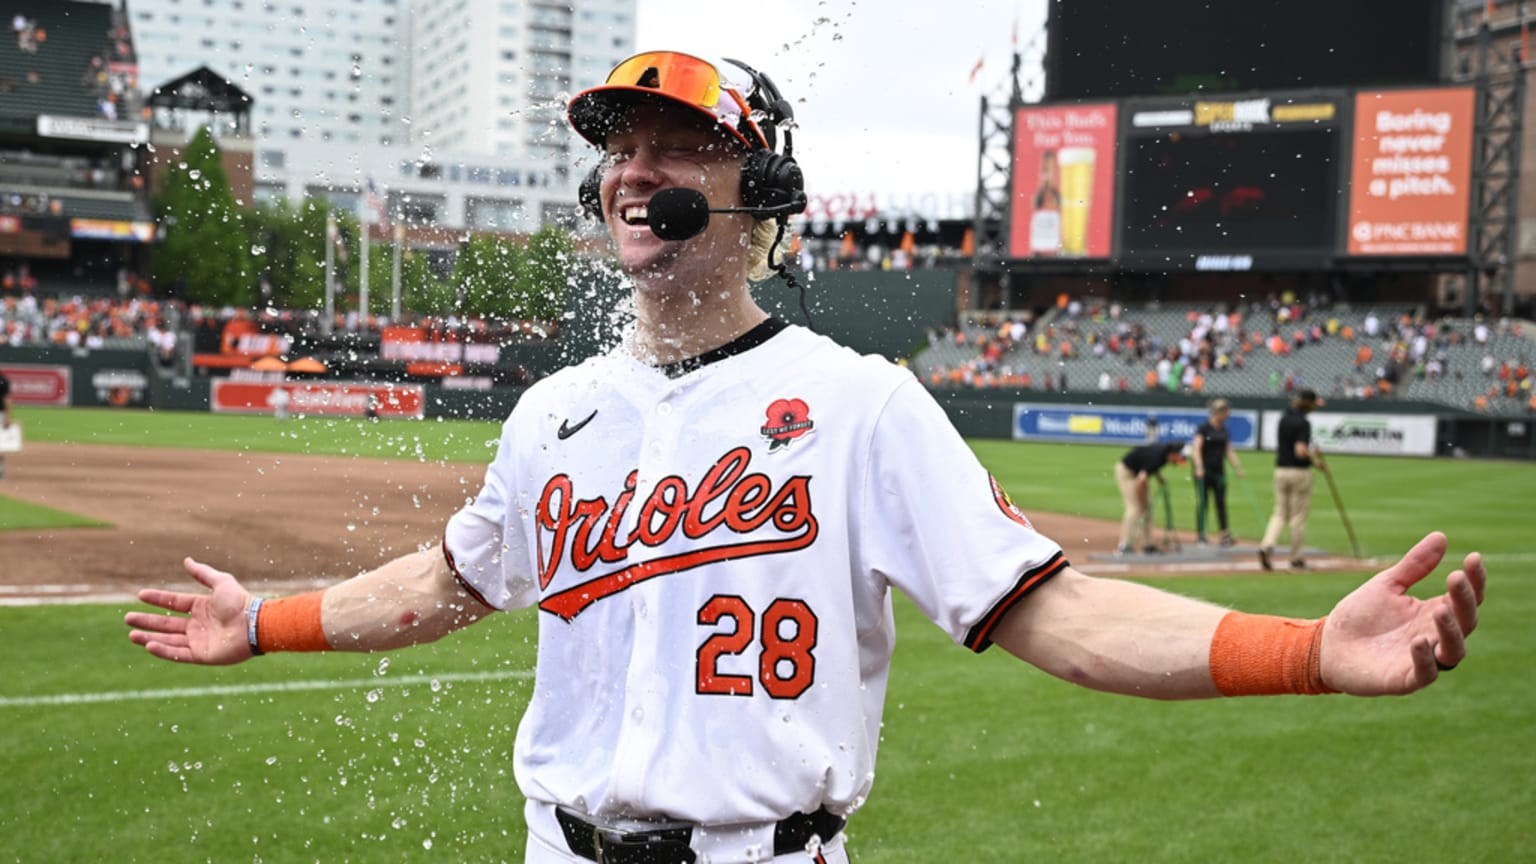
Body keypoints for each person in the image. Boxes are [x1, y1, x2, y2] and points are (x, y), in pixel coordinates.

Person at [126, 50, 1488, 864]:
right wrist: (267, 624)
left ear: (757, 192)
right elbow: (447, 586)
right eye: (620, 151)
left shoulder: (862, 405)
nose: (630, 172)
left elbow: (1059, 615)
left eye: (674, 148)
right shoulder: (557, 414)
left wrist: (1306, 650)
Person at [1260, 388, 1324, 570]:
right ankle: (1296, 557)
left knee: (1279, 513)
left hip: (1281, 470)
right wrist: (1314, 457)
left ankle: (1267, 545)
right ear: (1309, 404)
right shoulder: (1303, 423)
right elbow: (1300, 450)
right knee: (1297, 517)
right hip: (1299, 473)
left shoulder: (1284, 418)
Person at [1114, 440, 1187, 555]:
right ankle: (1124, 545)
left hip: (1137, 473)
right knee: (1135, 508)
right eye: (1177, 459)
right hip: (1127, 472)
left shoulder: (1164, 454)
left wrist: (1159, 477)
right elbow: (1140, 482)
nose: (1177, 463)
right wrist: (1143, 504)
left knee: (1148, 509)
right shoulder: (1157, 457)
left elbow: (1151, 466)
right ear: (1173, 454)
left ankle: (1148, 544)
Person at [1192, 398, 1244, 547]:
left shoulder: (1224, 430)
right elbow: (1196, 448)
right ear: (1218, 412)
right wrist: (1199, 466)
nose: (1228, 415)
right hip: (1204, 472)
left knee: (1221, 502)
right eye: (1225, 412)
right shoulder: (1204, 428)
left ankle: (1224, 534)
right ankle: (1201, 535)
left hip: (1219, 472)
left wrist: (1237, 467)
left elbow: (1228, 450)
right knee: (1203, 503)